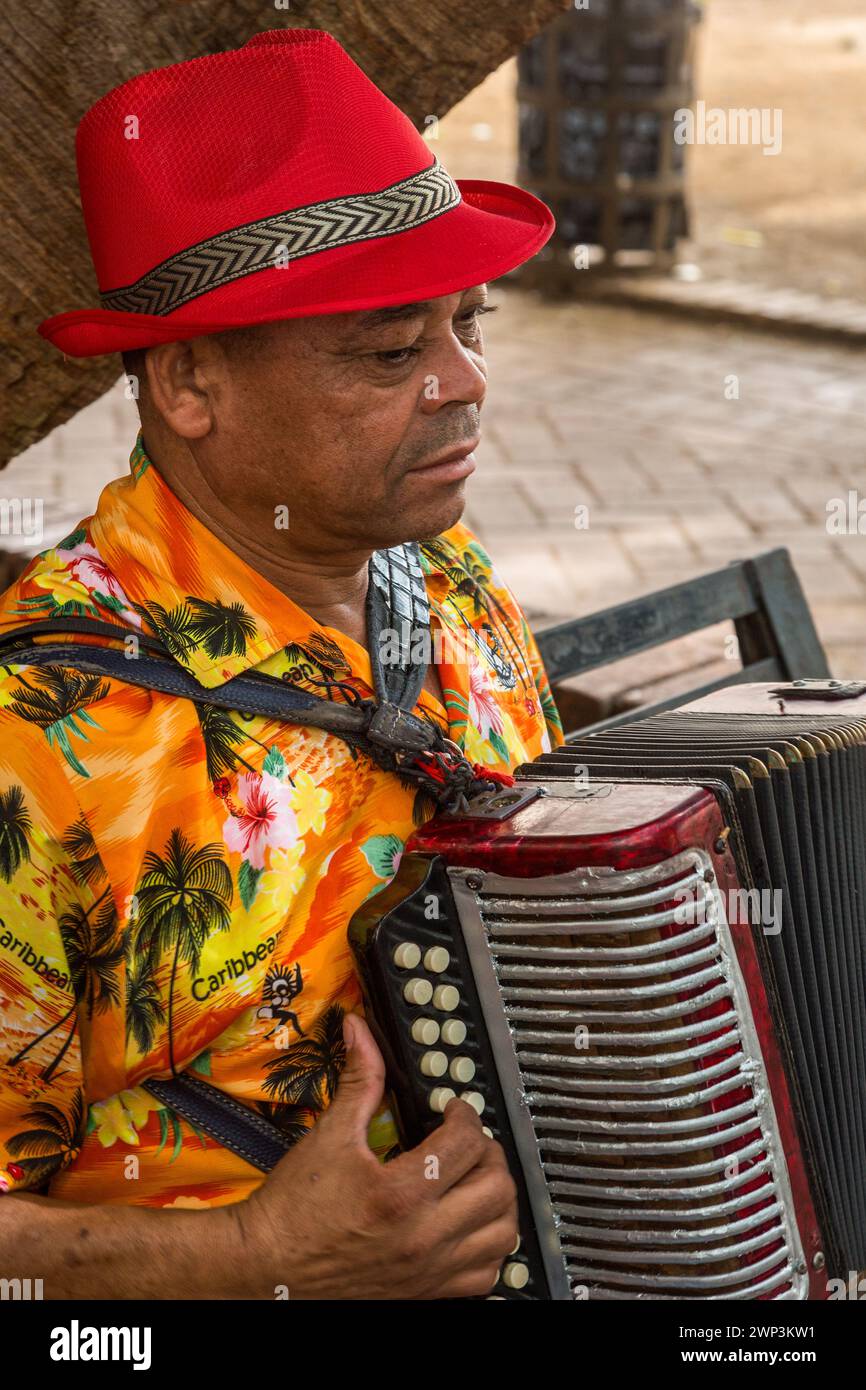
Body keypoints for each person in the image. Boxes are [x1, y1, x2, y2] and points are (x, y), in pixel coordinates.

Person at [0, 28, 563, 1298]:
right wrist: (257, 1260)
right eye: (387, 352)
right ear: (190, 382)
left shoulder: (444, 576)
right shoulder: (37, 733)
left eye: (467, 325)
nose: (461, 383)